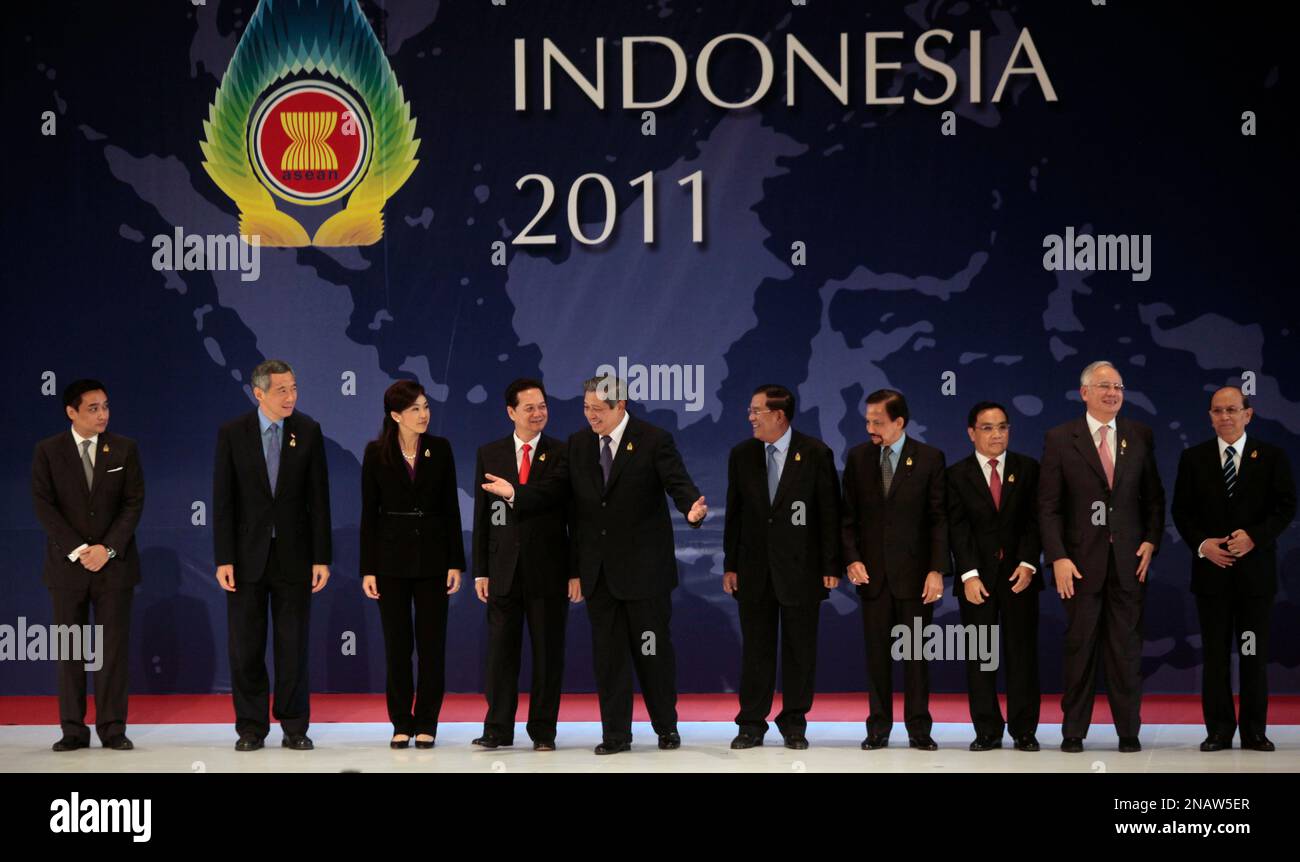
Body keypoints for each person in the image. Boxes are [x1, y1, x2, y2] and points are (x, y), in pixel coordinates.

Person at [481, 375, 707, 754]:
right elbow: (553, 488)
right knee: (609, 658)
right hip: (600, 574)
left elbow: (677, 483)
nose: (591, 417)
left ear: (621, 406)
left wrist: (692, 509)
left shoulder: (653, 439)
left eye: (598, 410)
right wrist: (515, 493)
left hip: (644, 573)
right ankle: (616, 735)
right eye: (586, 409)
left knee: (652, 653)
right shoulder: (578, 445)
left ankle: (666, 726)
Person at [1038, 360, 1164, 753]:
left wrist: (1151, 540)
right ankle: (1074, 731)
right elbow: (1048, 506)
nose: (1113, 393)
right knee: (1080, 648)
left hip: (1129, 563)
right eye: (1105, 386)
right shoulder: (1061, 438)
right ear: (1085, 393)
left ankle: (1129, 731)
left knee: (1126, 649)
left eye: (1119, 387)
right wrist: (1057, 557)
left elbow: (1154, 497)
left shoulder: (1139, 435)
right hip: (1078, 565)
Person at [213, 359, 331, 752]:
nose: (291, 397)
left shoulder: (309, 430)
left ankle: (295, 725)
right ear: (258, 393)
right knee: (246, 647)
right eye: (281, 390)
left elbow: (319, 500)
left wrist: (321, 558)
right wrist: (224, 558)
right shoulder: (233, 433)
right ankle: (251, 727)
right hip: (246, 558)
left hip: (295, 558)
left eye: (294, 388)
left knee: (292, 645)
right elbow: (224, 501)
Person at [1171, 386, 1296, 752]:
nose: (1225, 417)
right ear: (1209, 416)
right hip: (1212, 580)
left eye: (1232, 410)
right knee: (1215, 657)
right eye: (1217, 411)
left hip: (1255, 580)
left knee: (1253, 656)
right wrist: (1203, 545)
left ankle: (1254, 730)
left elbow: (1285, 507)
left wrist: (1255, 537)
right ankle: (1219, 731)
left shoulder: (1271, 457)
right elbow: (1181, 512)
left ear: (1248, 414)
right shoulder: (1193, 459)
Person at [723, 384, 839, 750]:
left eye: (757, 411)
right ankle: (751, 724)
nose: (750, 417)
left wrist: (830, 563)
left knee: (799, 650)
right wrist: (731, 564)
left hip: (802, 570)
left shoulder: (816, 453)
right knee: (755, 650)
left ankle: (794, 722)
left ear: (779, 416)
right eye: (750, 410)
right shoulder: (741, 455)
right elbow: (735, 515)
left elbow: (829, 514)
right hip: (754, 570)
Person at [31, 379, 144, 752]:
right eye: (93, 408)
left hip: (114, 567)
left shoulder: (124, 449)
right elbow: (44, 506)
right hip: (68, 569)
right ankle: (73, 730)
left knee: (112, 652)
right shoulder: (48, 451)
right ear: (71, 412)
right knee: (70, 652)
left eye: (105, 407)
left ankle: (113, 729)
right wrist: (81, 549)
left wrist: (107, 549)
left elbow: (132, 504)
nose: (102, 414)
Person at [470, 379, 574, 752]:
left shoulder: (563, 453)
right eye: (529, 407)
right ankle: (497, 729)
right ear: (510, 412)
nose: (538, 413)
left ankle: (543, 731)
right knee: (500, 655)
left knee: (548, 655)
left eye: (542, 406)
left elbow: (562, 505)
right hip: (503, 571)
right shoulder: (490, 453)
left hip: (549, 570)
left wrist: (574, 571)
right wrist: (481, 569)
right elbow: (483, 516)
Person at [841, 389, 948, 751]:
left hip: (916, 578)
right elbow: (848, 518)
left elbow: (938, 520)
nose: (870, 428)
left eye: (878, 422)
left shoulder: (930, 458)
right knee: (877, 658)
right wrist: (852, 558)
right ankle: (878, 728)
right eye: (868, 421)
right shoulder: (857, 458)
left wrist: (937, 569)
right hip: (872, 577)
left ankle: (919, 729)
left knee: (916, 657)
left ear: (899, 422)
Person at [360, 380, 464, 748]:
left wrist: (456, 561)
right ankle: (401, 721)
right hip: (390, 562)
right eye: (415, 409)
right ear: (395, 415)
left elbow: (452, 507)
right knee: (398, 645)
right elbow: (369, 515)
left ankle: (427, 722)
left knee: (432, 646)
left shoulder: (441, 448)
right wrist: (368, 568)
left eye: (426, 407)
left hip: (435, 559)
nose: (424, 415)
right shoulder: (376, 454)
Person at [946, 401, 1042, 752]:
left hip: (1020, 577)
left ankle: (1024, 730)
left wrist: (1029, 563)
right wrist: (969, 574)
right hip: (978, 581)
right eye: (987, 428)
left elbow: (1037, 520)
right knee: (981, 656)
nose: (996, 434)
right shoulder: (956, 475)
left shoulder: (1028, 469)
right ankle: (987, 729)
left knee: (1022, 656)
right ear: (971, 433)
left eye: (1002, 426)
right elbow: (957, 528)